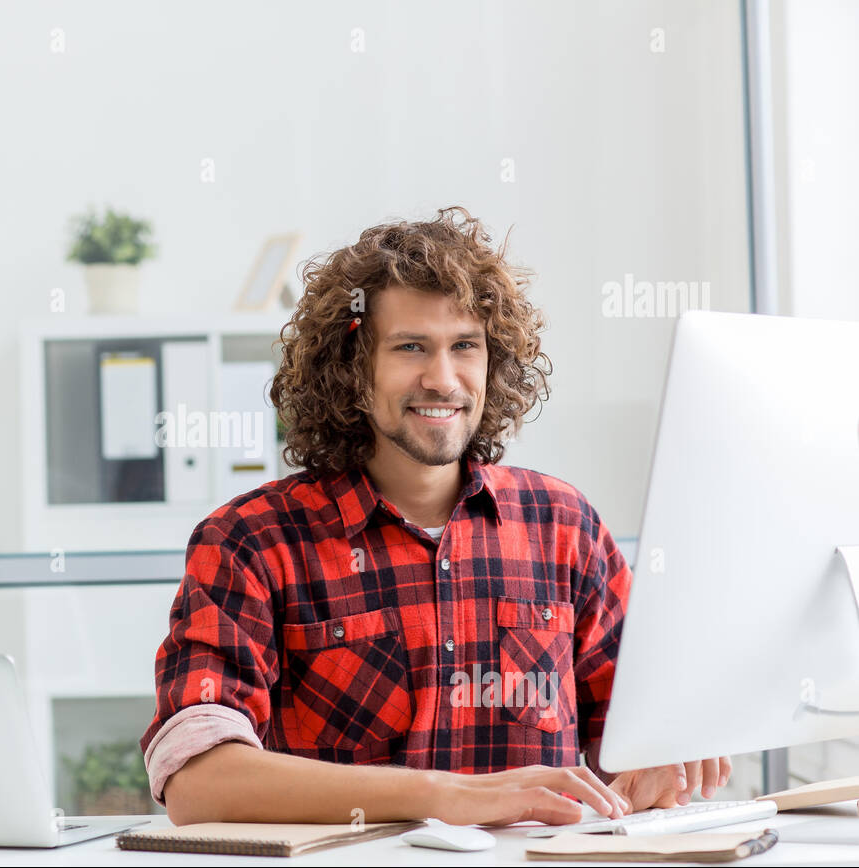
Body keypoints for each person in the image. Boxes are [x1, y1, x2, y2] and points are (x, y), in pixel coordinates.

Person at [138, 207, 732, 827]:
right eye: (411, 347)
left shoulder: (565, 525)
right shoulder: (251, 541)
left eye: (465, 347)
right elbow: (197, 779)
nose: (443, 379)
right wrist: (445, 797)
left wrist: (660, 764)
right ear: (351, 371)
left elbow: (625, 752)